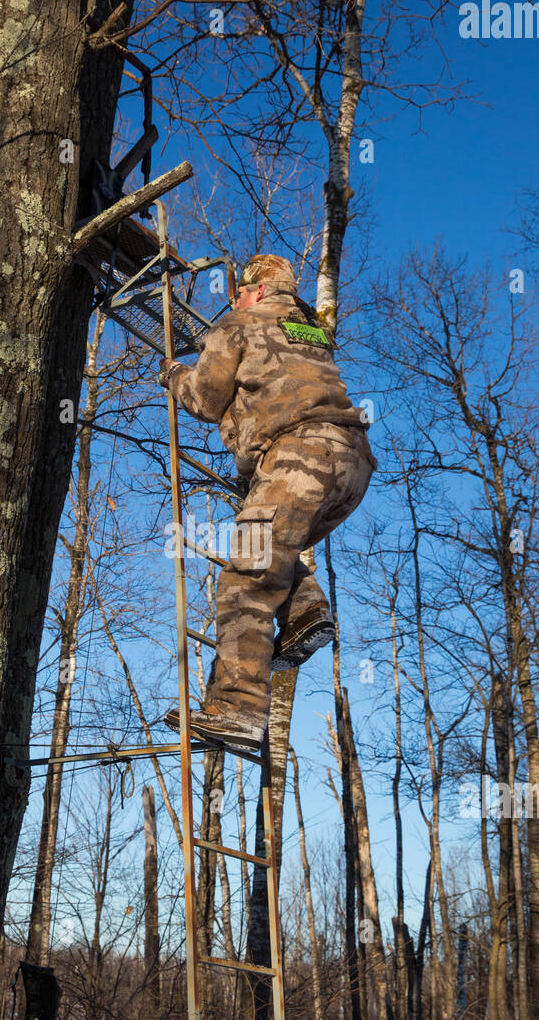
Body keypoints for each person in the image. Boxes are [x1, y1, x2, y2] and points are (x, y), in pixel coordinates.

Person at [159, 254, 376, 750]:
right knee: (274, 552)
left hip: (297, 457)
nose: (234, 299)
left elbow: (207, 398)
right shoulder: (315, 336)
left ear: (255, 291)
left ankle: (237, 707)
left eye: (239, 292)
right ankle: (305, 610)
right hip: (352, 467)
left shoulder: (240, 322)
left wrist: (174, 373)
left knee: (246, 579)